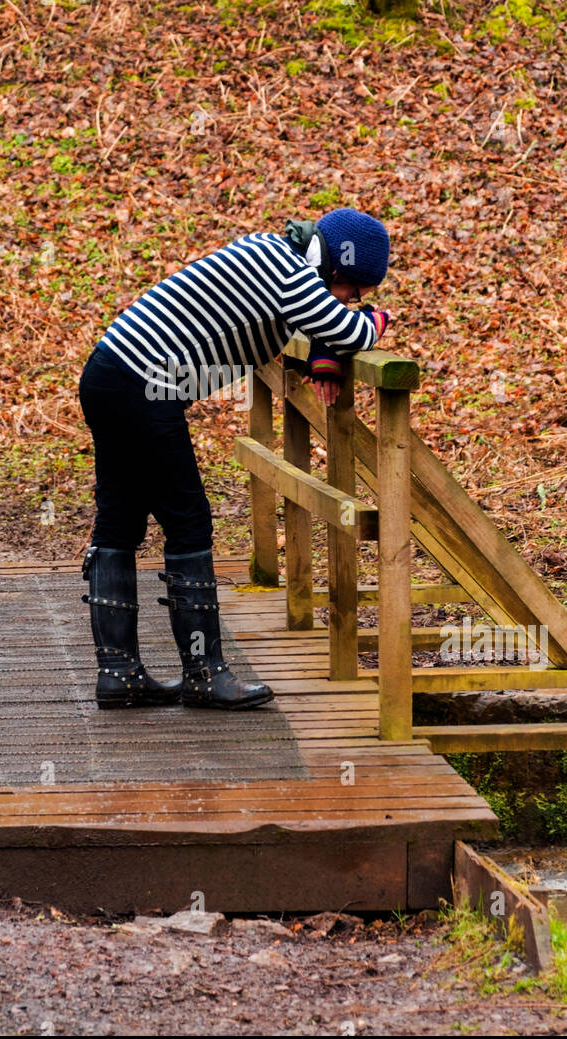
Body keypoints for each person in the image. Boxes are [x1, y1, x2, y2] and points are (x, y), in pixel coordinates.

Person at [78, 207, 391, 711]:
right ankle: (204, 674)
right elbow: (351, 332)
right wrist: (377, 321)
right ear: (339, 270)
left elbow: (314, 328)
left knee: (121, 520)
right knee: (189, 520)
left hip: (113, 376)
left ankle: (120, 674)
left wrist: (323, 358)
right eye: (356, 293)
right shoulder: (286, 268)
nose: (356, 302)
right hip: (143, 388)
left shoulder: (278, 260)